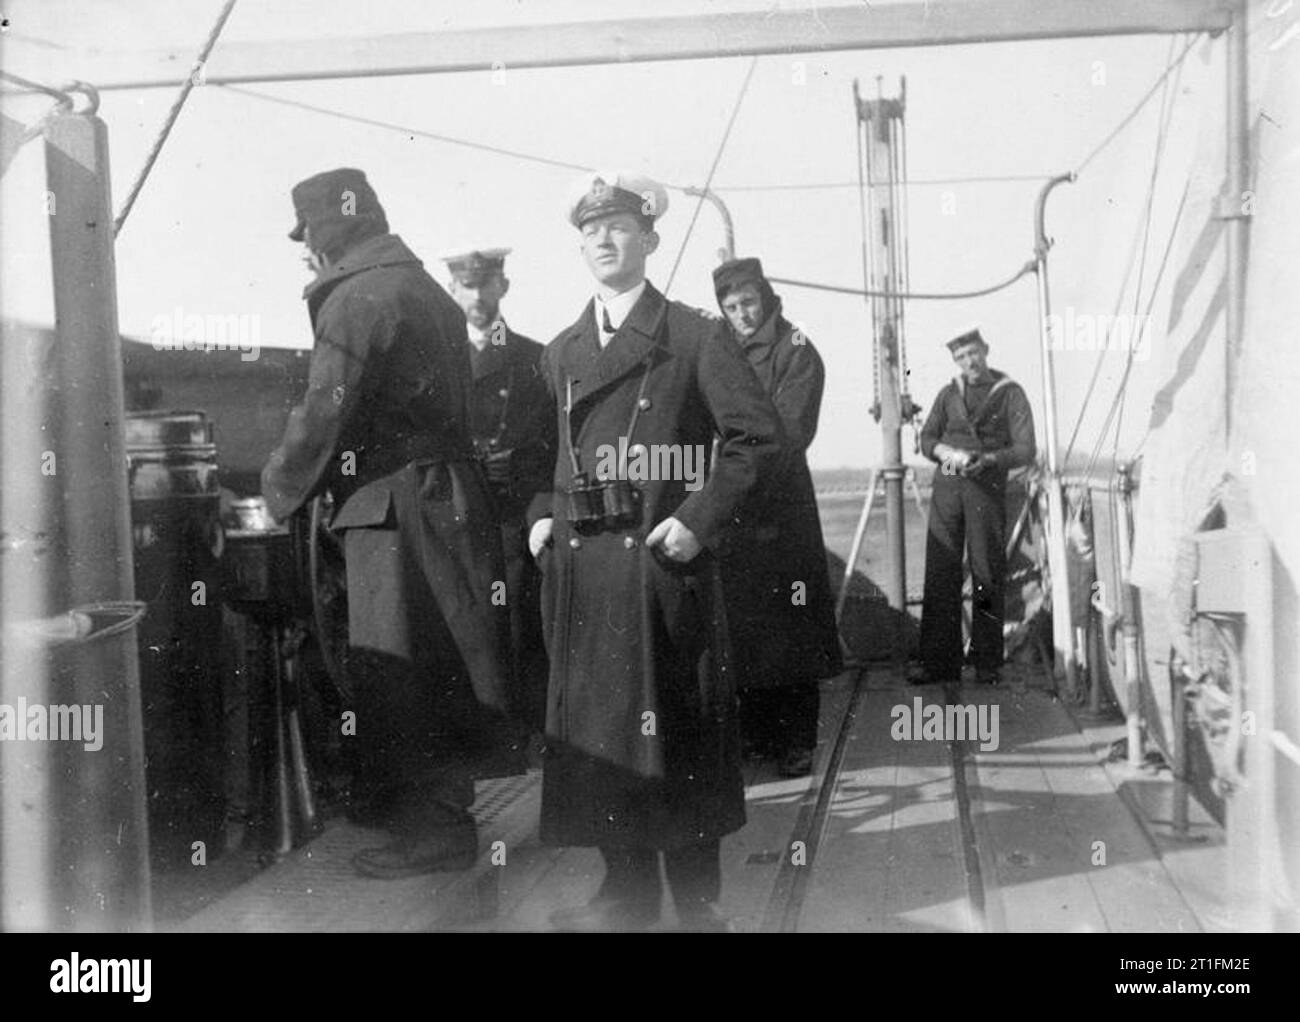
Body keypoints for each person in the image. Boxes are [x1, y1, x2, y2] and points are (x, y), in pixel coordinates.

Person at [526, 171, 784, 931]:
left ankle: (698, 901)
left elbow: (757, 439)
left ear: (650, 241)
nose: (602, 241)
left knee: (680, 727)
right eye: (590, 232)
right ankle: (624, 889)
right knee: (603, 732)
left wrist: (698, 520)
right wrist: (543, 515)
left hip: (660, 567)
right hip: (584, 573)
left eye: (617, 229)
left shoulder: (694, 336)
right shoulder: (561, 352)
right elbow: (550, 454)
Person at [261, 168, 525, 879]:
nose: (305, 252)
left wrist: (275, 491)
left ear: (332, 232)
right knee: (441, 661)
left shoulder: (358, 296)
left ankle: (434, 835)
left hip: (391, 505)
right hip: (440, 496)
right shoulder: (419, 288)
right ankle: (431, 816)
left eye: (308, 235)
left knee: (398, 668)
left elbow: (325, 409)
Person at [712, 258, 842, 777]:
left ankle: (795, 741)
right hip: (733, 509)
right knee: (744, 623)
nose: (743, 314)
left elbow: (792, 431)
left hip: (782, 507)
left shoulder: (797, 353)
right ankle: (755, 737)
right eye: (732, 306)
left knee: (793, 623)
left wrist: (736, 463)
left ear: (765, 298)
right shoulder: (719, 353)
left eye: (749, 303)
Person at [443, 247, 554, 732]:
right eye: (468, 286)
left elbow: (552, 442)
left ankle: (524, 734)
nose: (478, 296)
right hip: (460, 508)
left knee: (517, 622)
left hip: (515, 510)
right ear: (452, 291)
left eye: (486, 284)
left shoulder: (535, 358)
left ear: (503, 287)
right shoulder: (439, 360)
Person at [914, 328, 1036, 686]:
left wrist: (991, 458)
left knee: (986, 572)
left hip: (985, 486)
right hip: (948, 485)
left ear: (986, 350)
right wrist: (944, 452)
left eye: (974, 353)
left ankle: (987, 664)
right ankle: (938, 663)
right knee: (941, 571)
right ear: (956, 361)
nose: (970, 362)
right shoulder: (948, 394)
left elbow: (1026, 449)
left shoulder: (1010, 394)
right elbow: (927, 439)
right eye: (962, 357)